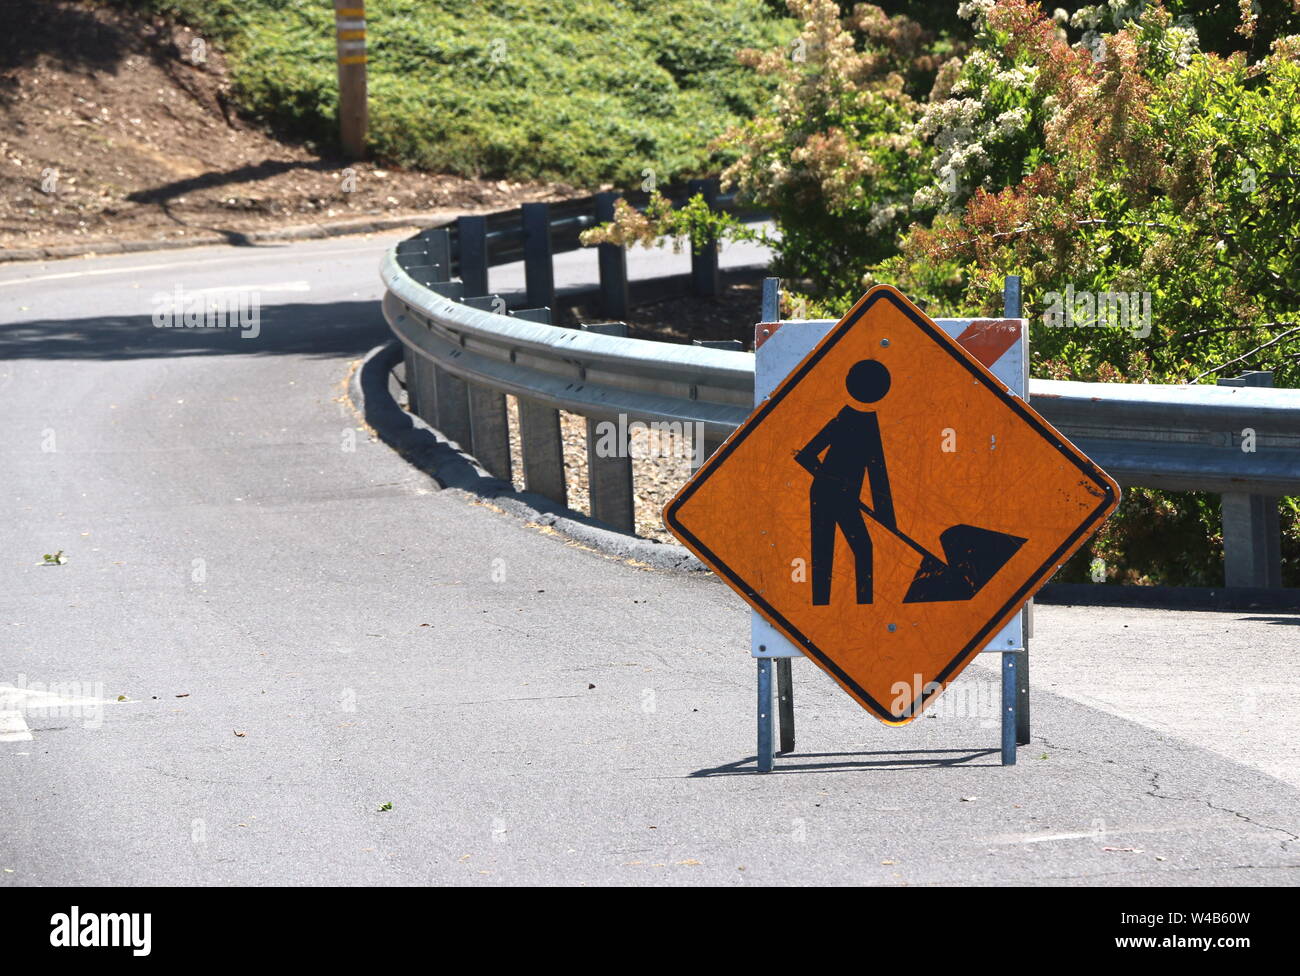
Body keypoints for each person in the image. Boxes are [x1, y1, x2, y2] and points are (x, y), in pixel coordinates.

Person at [794, 359, 895, 606]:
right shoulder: (845, 418)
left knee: (862, 549)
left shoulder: (869, 422)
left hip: (845, 497)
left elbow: (876, 470)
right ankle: (821, 608)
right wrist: (830, 479)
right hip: (825, 494)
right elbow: (806, 455)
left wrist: (887, 517)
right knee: (824, 555)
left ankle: (864, 607)